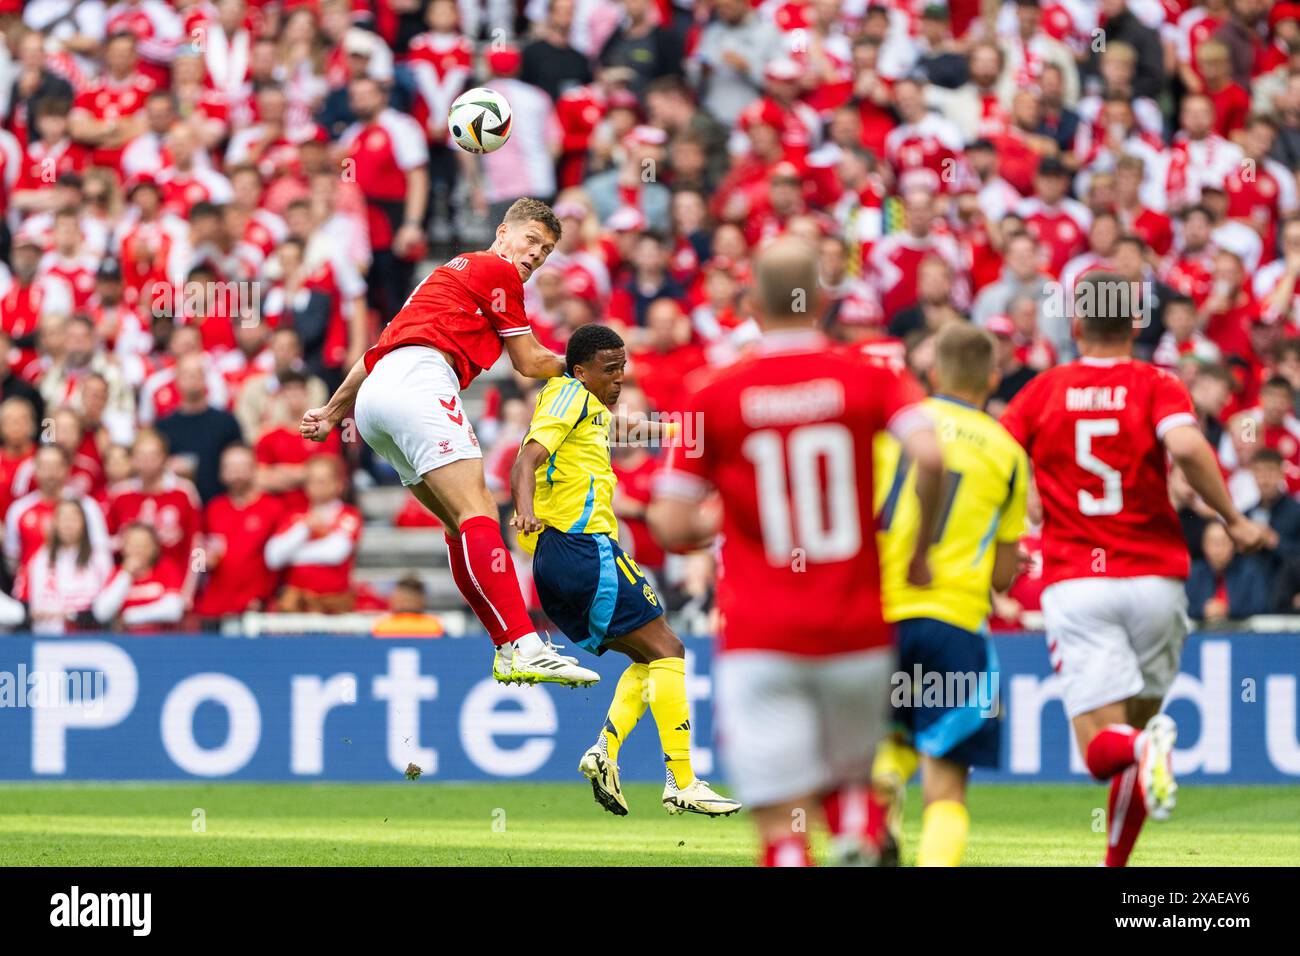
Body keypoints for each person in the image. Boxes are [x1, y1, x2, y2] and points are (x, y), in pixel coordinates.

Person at [647, 236, 943, 866]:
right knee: (851, 776)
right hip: (857, 625)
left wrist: (720, 523)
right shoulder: (871, 377)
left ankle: (802, 850)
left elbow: (671, 524)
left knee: (780, 819)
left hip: (761, 632)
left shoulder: (710, 392)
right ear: (825, 300)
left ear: (751, 303)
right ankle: (859, 834)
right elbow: (930, 454)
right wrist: (919, 551)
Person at [1000, 272, 1268, 867]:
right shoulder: (1156, 383)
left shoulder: (1044, 390)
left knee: (1105, 748)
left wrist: (1014, 518)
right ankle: (1115, 863)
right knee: (1135, 742)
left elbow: (997, 452)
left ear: (1075, 324)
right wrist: (1232, 518)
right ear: (1137, 324)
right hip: (1156, 583)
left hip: (1079, 582)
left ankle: (1146, 751)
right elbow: (1190, 446)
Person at [300, 197, 598, 686]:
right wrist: (583, 364)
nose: (534, 257)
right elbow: (527, 361)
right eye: (530, 241)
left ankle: (507, 646)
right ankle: (522, 643)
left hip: (377, 399)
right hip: (421, 381)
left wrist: (334, 411)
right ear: (503, 232)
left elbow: (376, 350)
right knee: (479, 507)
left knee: (460, 525)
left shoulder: (443, 275)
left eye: (544, 253)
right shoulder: (495, 270)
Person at [510, 323, 739, 818]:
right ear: (580, 371)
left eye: (623, 369)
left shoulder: (582, 404)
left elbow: (617, 427)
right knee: (671, 648)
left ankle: (604, 752)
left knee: (648, 658)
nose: (619, 379)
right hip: (584, 549)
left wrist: (675, 431)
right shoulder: (567, 396)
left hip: (557, 562)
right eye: (610, 371)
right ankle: (682, 780)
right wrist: (523, 509)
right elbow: (525, 460)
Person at [872, 323, 1029, 867]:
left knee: (890, 734)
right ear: (993, 376)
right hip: (955, 621)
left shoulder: (890, 431)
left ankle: (886, 782)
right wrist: (1000, 558)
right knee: (947, 790)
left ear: (932, 372)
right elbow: (1003, 579)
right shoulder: (1008, 452)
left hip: (879, 617)